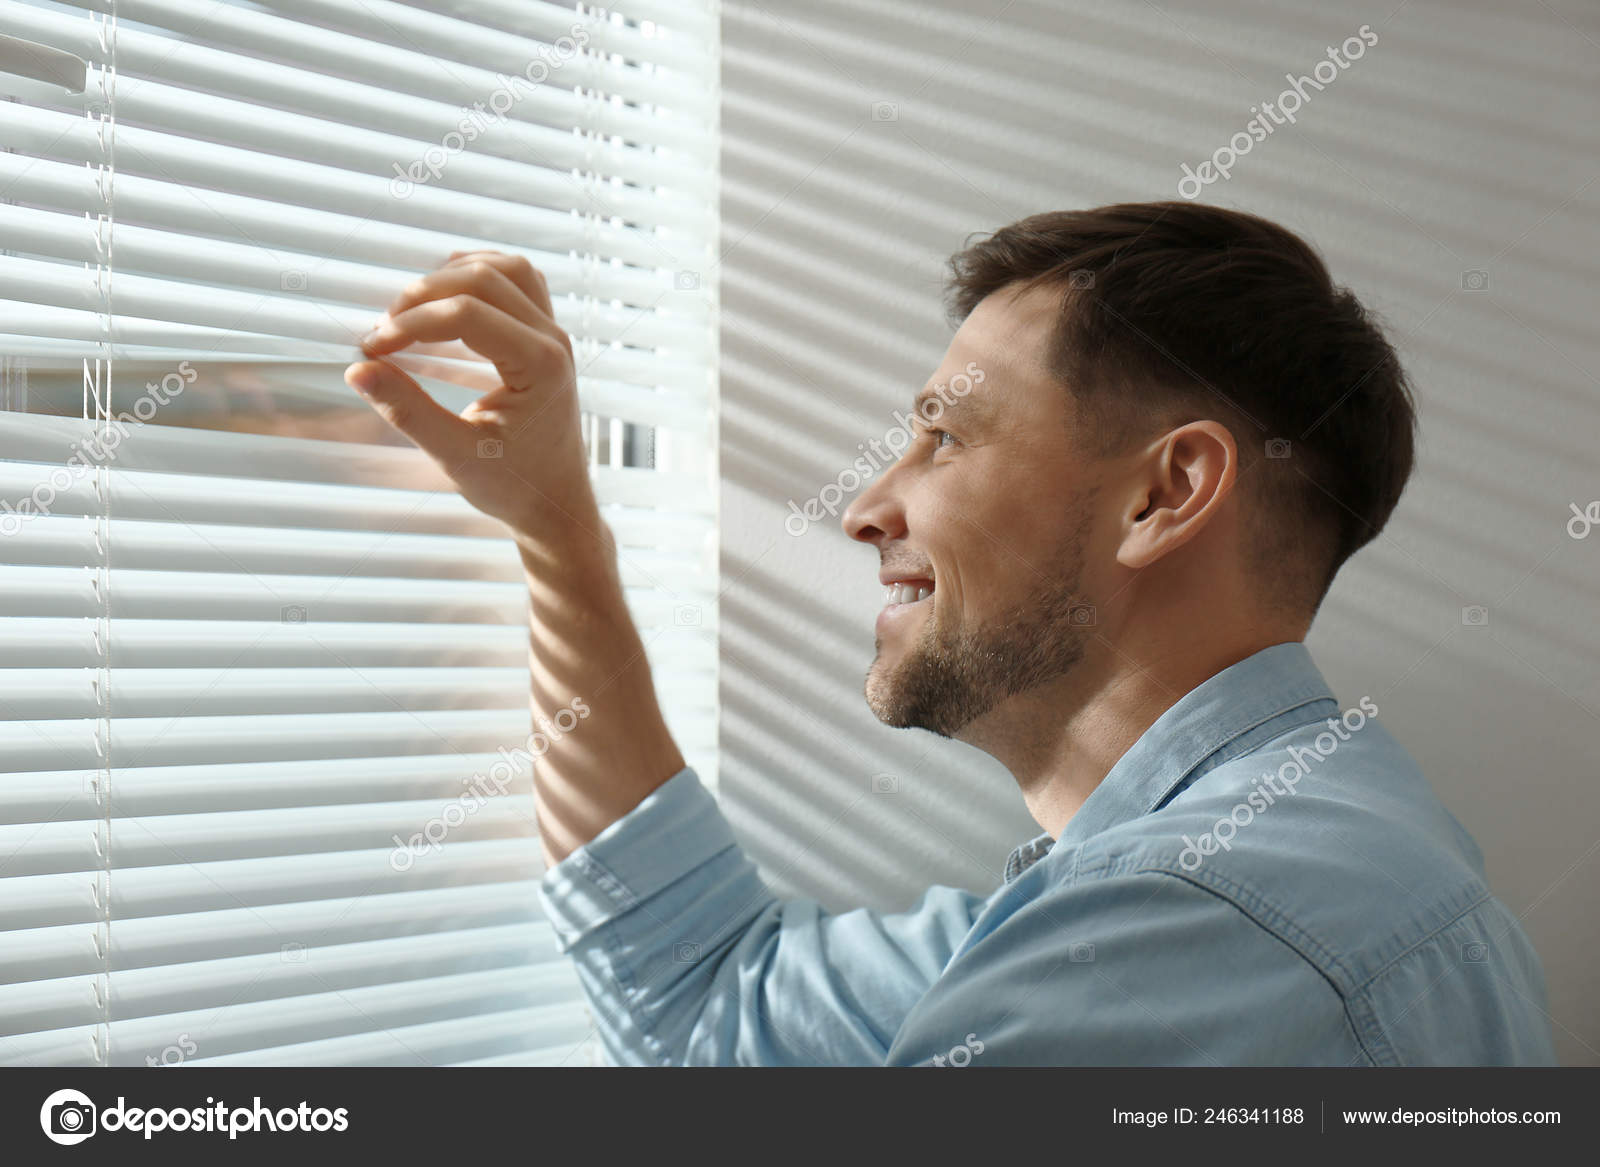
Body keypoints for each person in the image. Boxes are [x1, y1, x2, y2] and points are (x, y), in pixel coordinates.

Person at [346, 201, 1555, 1066]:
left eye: (944, 437)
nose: (869, 508)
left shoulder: (1196, 924)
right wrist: (558, 526)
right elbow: (715, 1004)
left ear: (1164, 495)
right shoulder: (1272, 854)